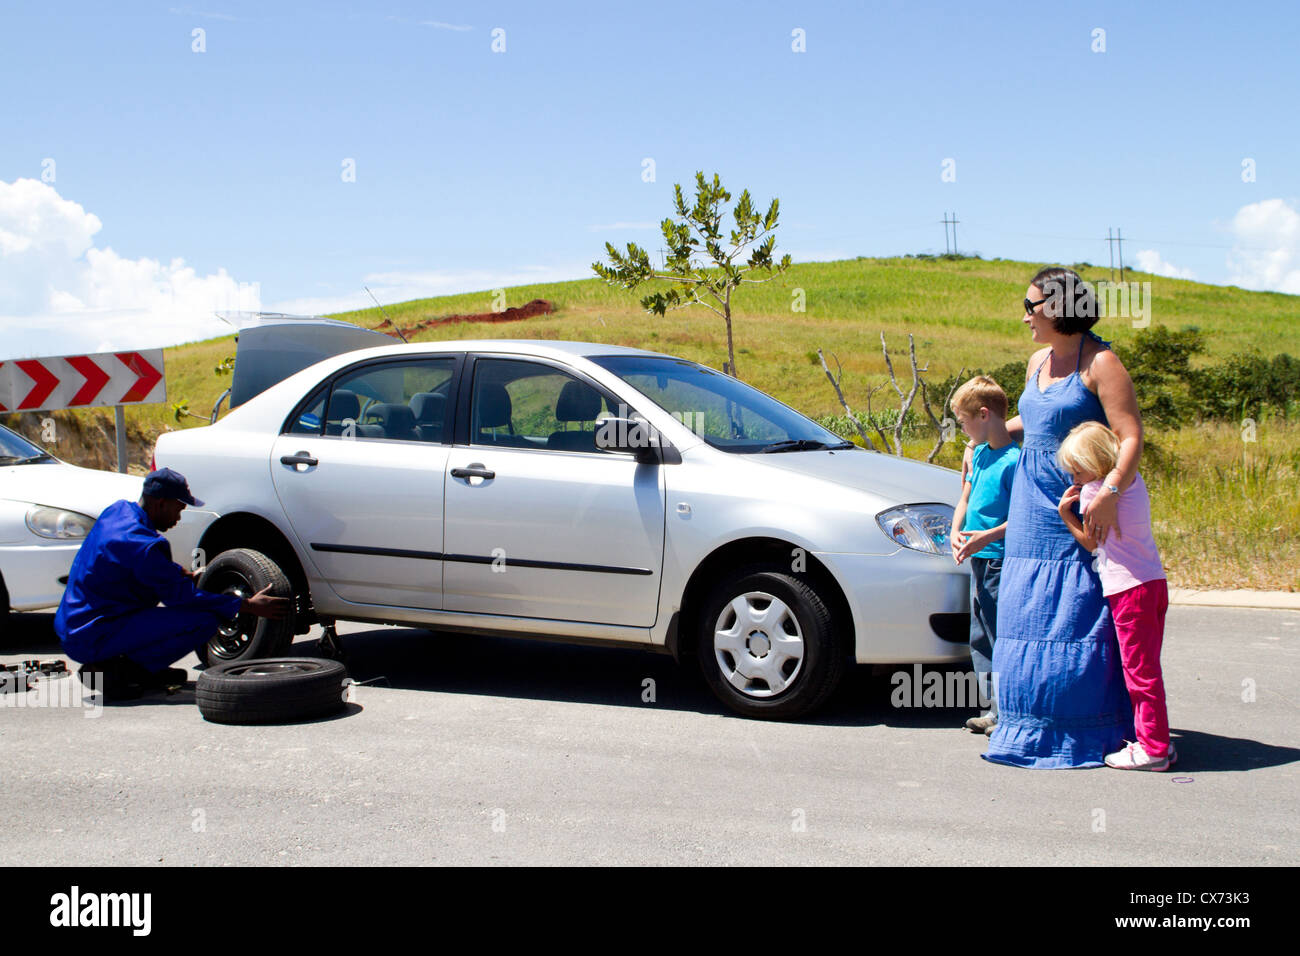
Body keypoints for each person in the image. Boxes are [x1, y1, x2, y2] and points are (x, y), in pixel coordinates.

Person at [982, 266, 1143, 769]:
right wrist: (987, 438)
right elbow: (1034, 418)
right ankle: (1026, 726)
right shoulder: (1037, 360)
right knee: (1025, 614)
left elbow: (1131, 436)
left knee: (1077, 616)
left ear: (1057, 307)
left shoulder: (1102, 362)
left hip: (1078, 506)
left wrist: (1111, 493)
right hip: (1030, 507)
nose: (1025, 316)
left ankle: (1083, 730)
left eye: (1031, 306)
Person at [54, 467, 289, 700]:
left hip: (74, 625)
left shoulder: (118, 511)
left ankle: (134, 667)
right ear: (160, 503)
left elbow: (135, 564)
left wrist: (179, 573)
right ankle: (118, 674)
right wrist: (247, 605)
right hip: (93, 634)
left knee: (166, 614)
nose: (178, 517)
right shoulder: (144, 545)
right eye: (179, 509)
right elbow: (183, 598)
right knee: (204, 621)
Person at [1056, 422, 1174, 770]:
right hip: (1153, 581)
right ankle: (1159, 741)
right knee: (1149, 666)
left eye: (1077, 468)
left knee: (1139, 671)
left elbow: (1093, 541)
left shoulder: (1095, 493)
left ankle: (1152, 749)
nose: (1074, 477)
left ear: (1094, 460)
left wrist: (1066, 515)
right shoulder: (1132, 483)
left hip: (1127, 589)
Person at [949, 375, 1020, 736]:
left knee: (998, 632)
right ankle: (992, 708)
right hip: (976, 556)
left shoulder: (1014, 460)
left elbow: (1021, 518)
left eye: (963, 421)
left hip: (997, 557)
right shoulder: (977, 454)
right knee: (978, 634)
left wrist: (985, 537)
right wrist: (955, 530)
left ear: (983, 414)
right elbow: (965, 496)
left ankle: (1009, 711)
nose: (962, 429)